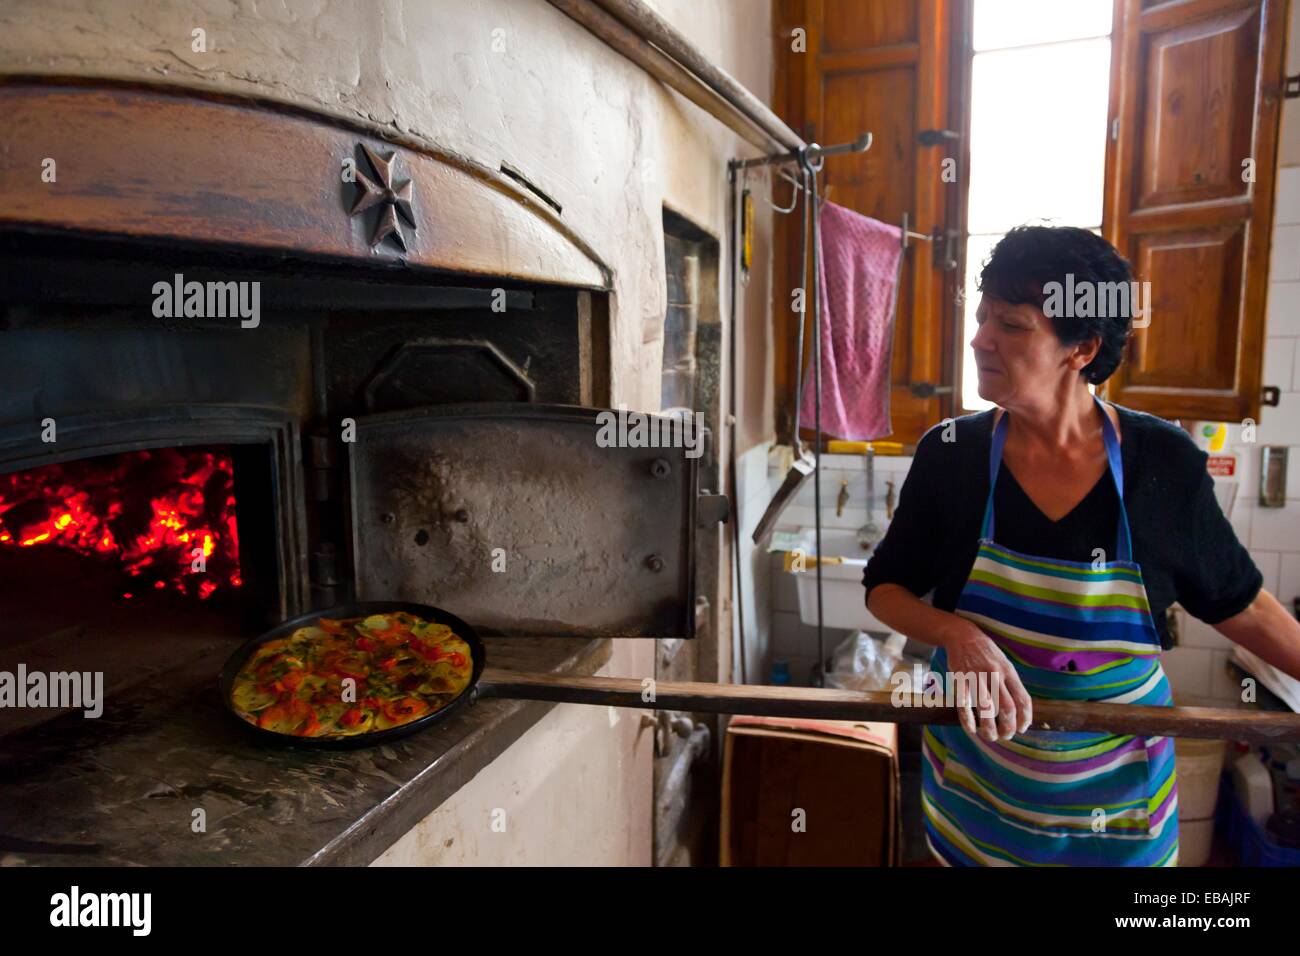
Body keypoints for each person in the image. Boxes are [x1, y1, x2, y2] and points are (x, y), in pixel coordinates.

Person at [863, 225, 1300, 866]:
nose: (980, 339)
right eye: (982, 317)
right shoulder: (951, 456)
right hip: (981, 792)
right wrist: (957, 634)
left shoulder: (1160, 464)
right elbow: (885, 588)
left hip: (1117, 799)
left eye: (1011, 325)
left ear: (1082, 346)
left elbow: (1241, 603)